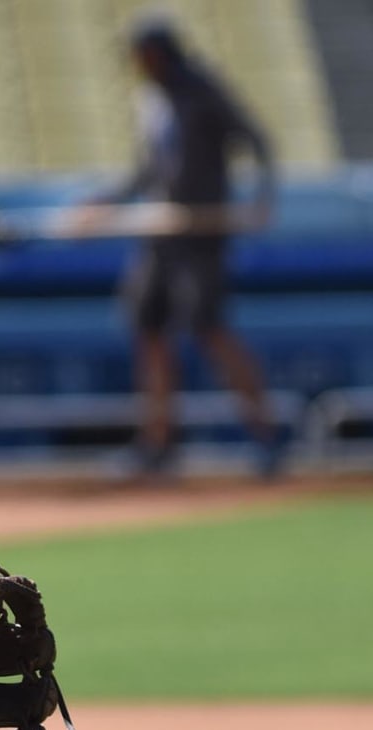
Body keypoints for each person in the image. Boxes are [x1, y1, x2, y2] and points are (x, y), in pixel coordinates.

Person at [89, 13, 282, 479]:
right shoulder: (152, 100)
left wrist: (260, 200)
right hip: (161, 228)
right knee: (149, 329)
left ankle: (266, 436)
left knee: (208, 327)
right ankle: (158, 444)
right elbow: (150, 168)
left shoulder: (201, 89)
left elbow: (257, 141)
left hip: (200, 230)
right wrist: (106, 202)